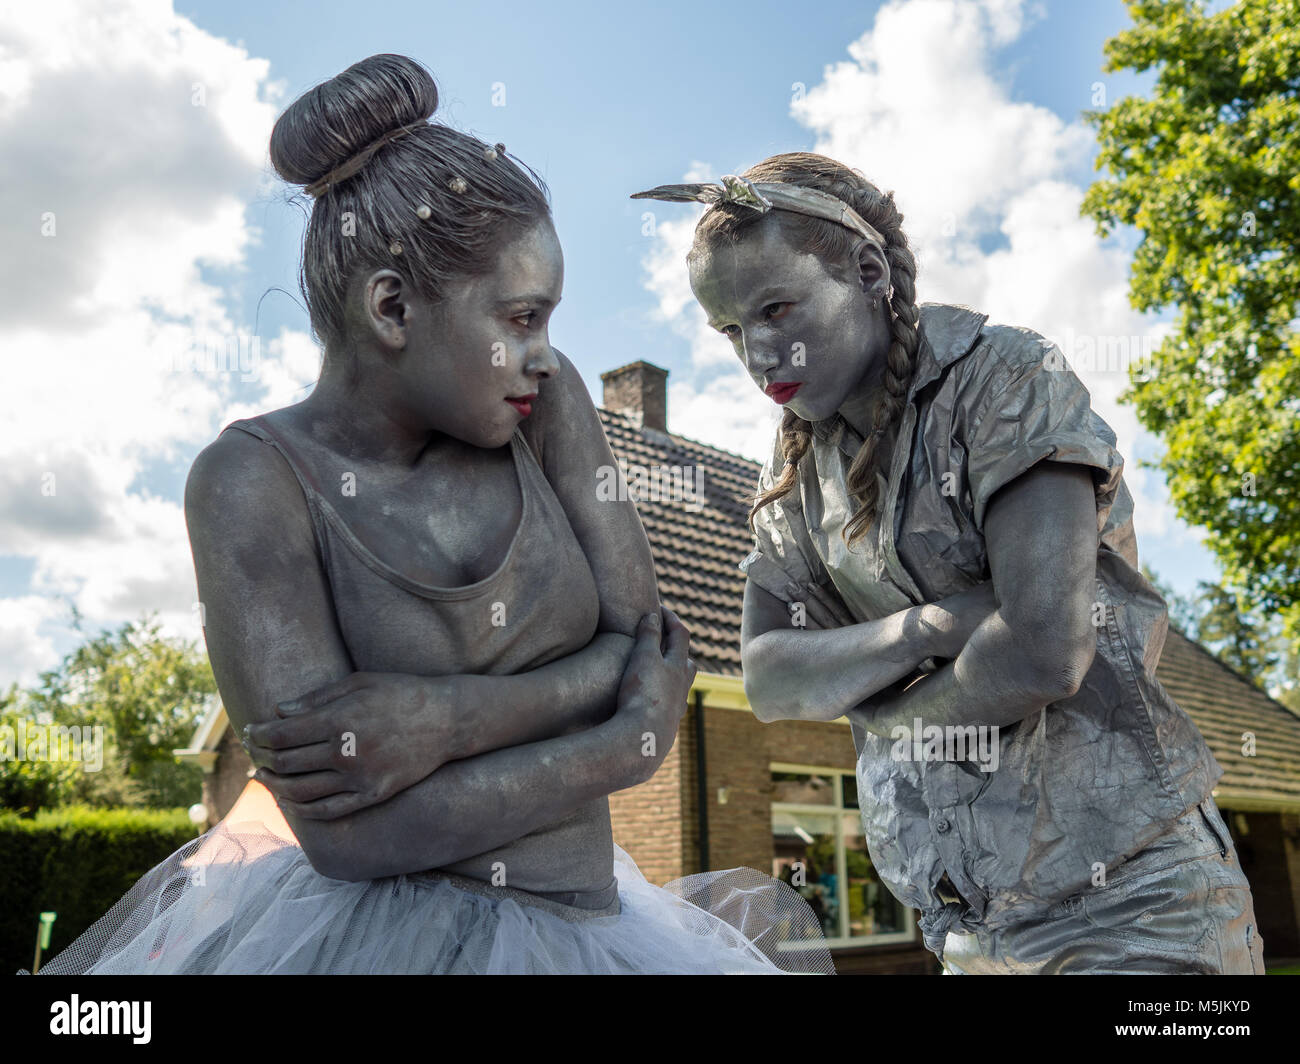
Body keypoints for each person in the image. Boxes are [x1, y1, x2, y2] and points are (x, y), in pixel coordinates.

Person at [22, 56, 834, 976]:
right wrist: (615, 748)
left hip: (597, 934)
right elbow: (353, 839)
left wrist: (441, 720)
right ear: (394, 306)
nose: (543, 353)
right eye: (522, 317)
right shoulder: (249, 485)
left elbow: (649, 649)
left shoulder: (549, 406)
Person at [633, 152, 1266, 974]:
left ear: (867, 273)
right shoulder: (793, 474)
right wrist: (930, 628)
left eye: (776, 307)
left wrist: (887, 720)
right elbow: (769, 677)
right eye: (729, 330)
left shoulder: (1003, 377)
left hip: (1132, 907)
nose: (759, 354)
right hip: (963, 931)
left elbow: (1043, 650)